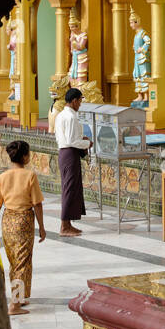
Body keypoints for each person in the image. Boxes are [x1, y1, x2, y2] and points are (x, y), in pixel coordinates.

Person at [0, 140, 45, 316]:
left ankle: (19, 297)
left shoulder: (2, 177)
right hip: (24, 221)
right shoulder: (30, 176)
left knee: (15, 262)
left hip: (7, 221)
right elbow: (37, 204)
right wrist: (42, 227)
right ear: (24, 156)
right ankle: (14, 305)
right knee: (22, 263)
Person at [53, 88, 90, 236]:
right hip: (69, 153)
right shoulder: (70, 117)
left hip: (65, 153)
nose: (80, 104)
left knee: (71, 187)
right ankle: (64, 226)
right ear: (74, 101)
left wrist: (82, 140)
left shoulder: (61, 115)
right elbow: (71, 140)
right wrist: (88, 144)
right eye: (80, 101)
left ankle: (68, 223)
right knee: (69, 188)